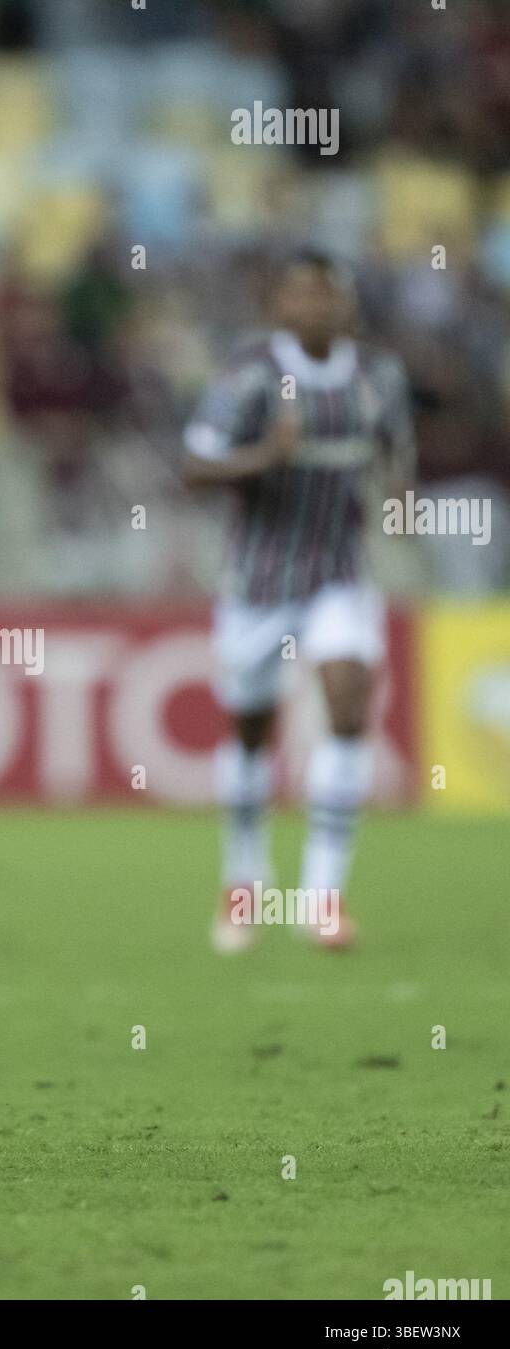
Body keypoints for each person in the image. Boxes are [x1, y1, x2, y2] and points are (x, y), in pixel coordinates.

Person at [182, 251, 415, 952]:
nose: (318, 307)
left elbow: (394, 457)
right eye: (304, 295)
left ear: (346, 304)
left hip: (339, 575)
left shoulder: (380, 375)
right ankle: (244, 877)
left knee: (348, 707)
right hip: (259, 580)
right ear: (281, 305)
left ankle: (323, 896)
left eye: (329, 295)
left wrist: (402, 513)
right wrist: (263, 458)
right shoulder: (252, 371)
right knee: (251, 731)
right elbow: (195, 463)